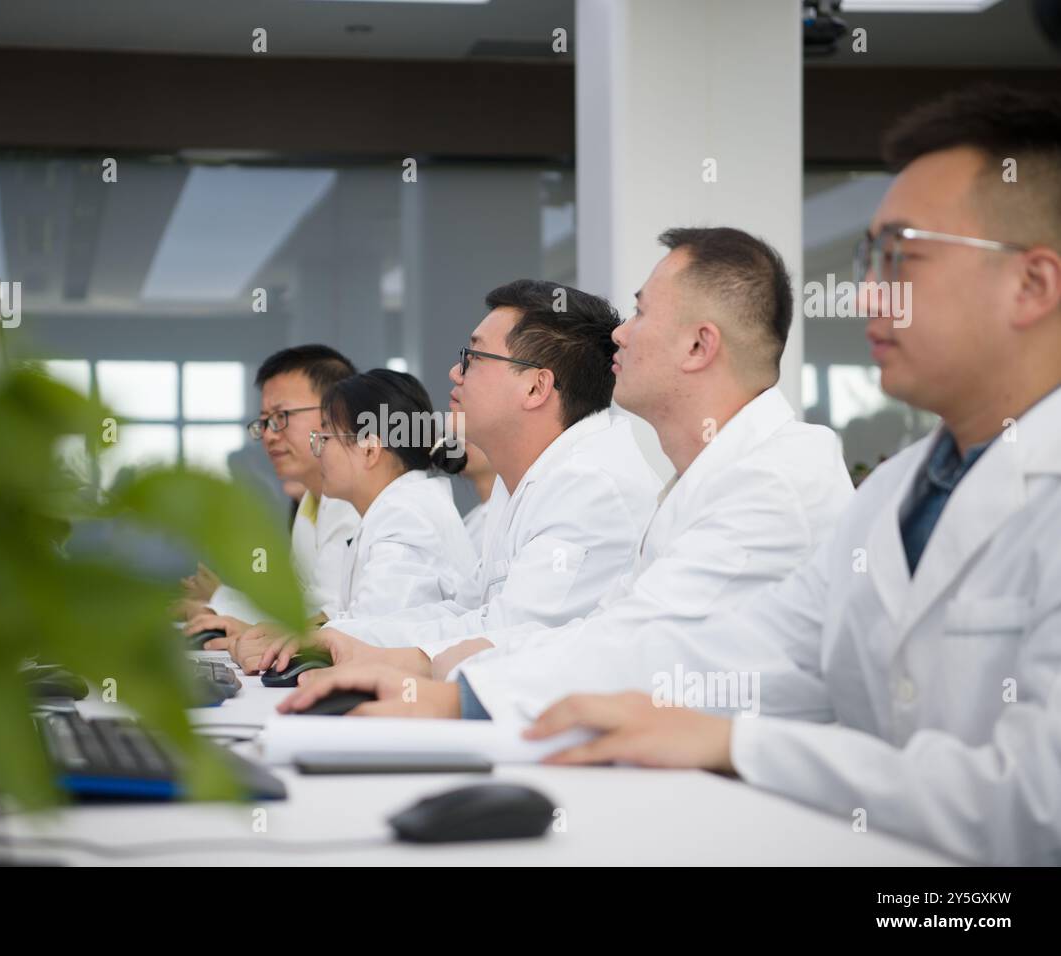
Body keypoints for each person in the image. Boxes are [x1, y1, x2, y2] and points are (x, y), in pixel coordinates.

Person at [314, 86, 1061, 864]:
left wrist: (734, 743)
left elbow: (1038, 801)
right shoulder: (894, 495)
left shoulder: (777, 481)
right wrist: (462, 695)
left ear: (1033, 285)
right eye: (873, 260)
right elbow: (719, 648)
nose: (870, 292)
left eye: (903, 259)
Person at [275, 227, 853, 699]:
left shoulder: (767, 480)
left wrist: (440, 681)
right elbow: (586, 627)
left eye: (641, 313)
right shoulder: (696, 476)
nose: (620, 334)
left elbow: (634, 647)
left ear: (699, 346)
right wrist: (395, 654)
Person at [228, 280, 663, 671]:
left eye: (472, 357)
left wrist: (354, 647)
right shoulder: (534, 480)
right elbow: (467, 611)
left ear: (535, 387)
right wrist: (341, 638)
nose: (455, 373)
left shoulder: (590, 484)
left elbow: (509, 636)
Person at [186, 345, 360, 637]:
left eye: (281, 417)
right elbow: (305, 611)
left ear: (337, 414)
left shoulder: (356, 502)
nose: (268, 434)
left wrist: (221, 604)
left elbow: (338, 621)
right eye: (264, 421)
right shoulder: (311, 503)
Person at [310, 368, 478, 620]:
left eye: (325, 436)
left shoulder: (405, 515)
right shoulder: (400, 506)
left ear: (370, 450)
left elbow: (373, 630)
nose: (317, 450)